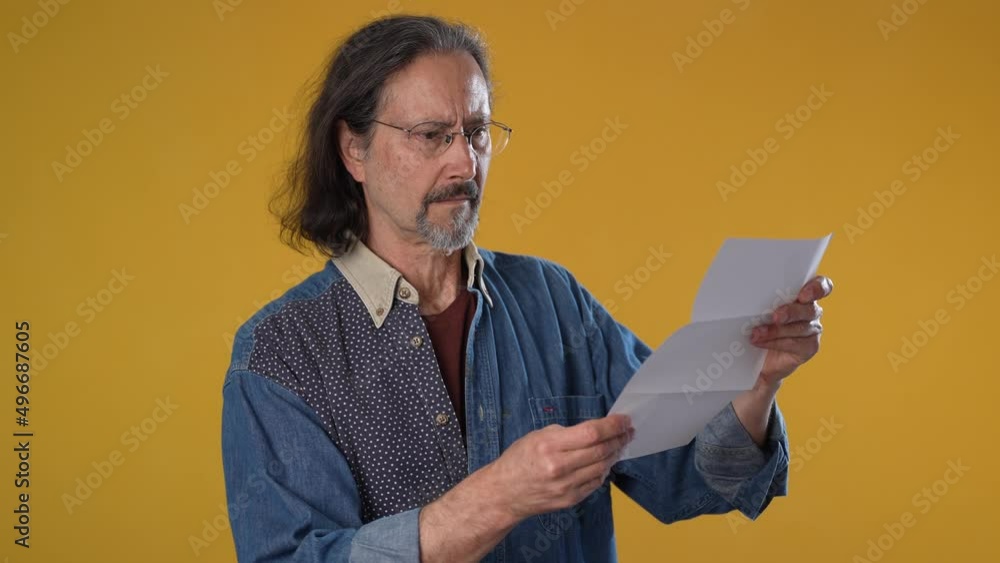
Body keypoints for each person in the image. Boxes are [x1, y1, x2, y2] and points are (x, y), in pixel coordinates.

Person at [220, 14, 834, 563]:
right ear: (354, 148)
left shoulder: (553, 301)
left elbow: (686, 478)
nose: (465, 163)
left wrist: (756, 382)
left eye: (478, 131)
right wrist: (496, 499)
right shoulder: (279, 353)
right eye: (432, 135)